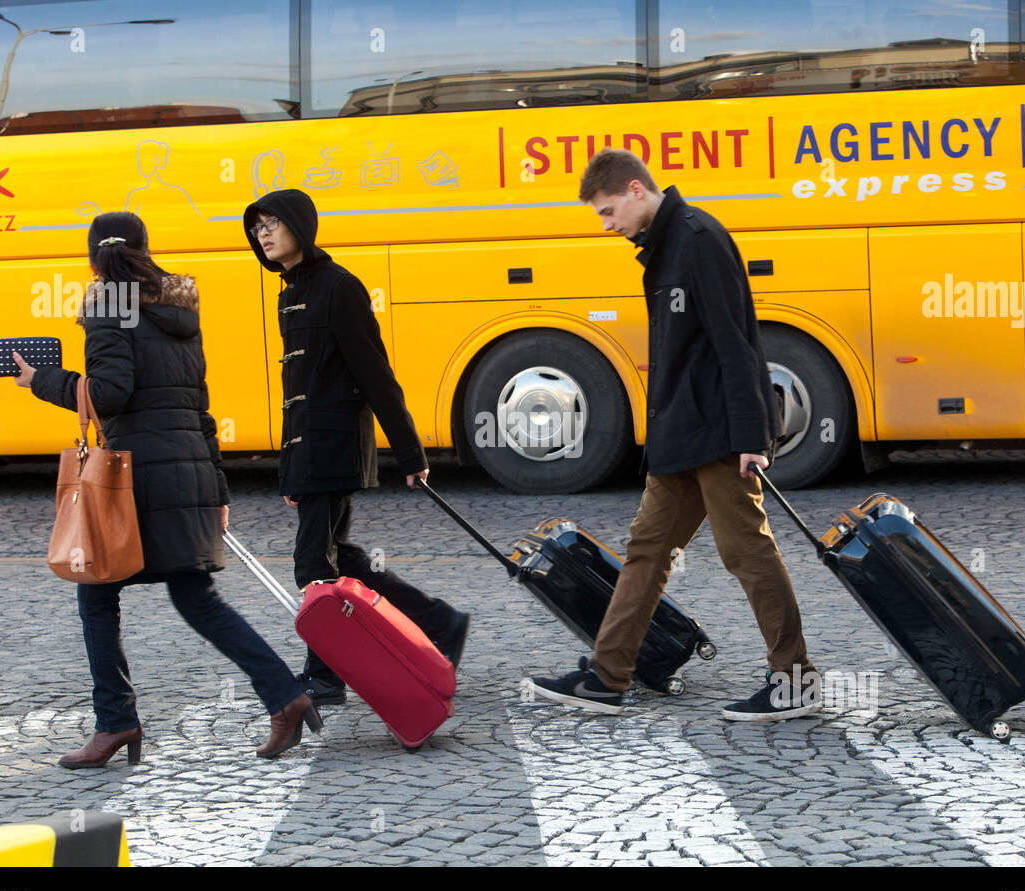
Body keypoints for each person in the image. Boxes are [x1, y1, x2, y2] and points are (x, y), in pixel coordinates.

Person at [14, 211, 321, 766]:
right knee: (195, 598)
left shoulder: (108, 307)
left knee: (98, 593)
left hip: (139, 480)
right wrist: (219, 488)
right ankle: (286, 695)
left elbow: (108, 393)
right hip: (189, 471)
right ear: (144, 249)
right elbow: (200, 404)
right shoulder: (180, 308)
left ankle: (116, 724)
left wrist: (43, 382)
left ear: (95, 258)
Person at [524, 149, 821, 720]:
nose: (608, 226)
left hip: (718, 435)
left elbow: (738, 343)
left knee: (745, 551)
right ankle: (607, 678)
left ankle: (795, 680)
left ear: (637, 190)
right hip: (679, 437)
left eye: (609, 212)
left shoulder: (699, 239)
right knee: (646, 552)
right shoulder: (662, 248)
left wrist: (753, 435)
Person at [241, 189, 470, 704]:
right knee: (339, 559)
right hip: (309, 453)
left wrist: (410, 453)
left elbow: (375, 374)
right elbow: (297, 390)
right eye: (258, 227)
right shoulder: (288, 290)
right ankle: (439, 622)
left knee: (313, 565)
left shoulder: (340, 287)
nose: (265, 233)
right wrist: (289, 470)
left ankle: (325, 677)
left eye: (273, 223)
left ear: (301, 225)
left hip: (334, 447)